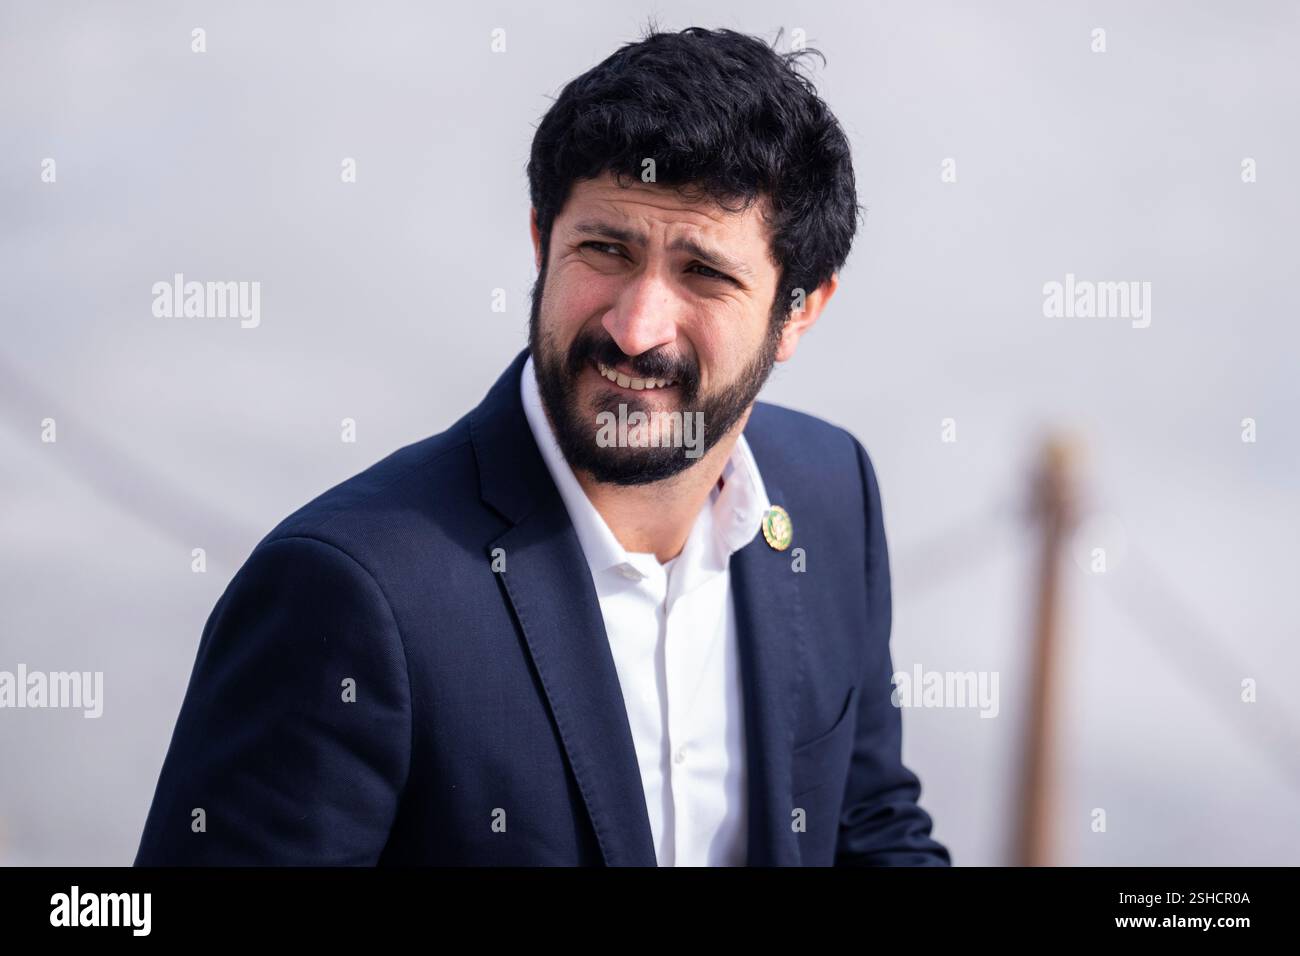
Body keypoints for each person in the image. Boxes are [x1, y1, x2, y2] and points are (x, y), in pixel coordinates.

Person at [135, 26, 949, 867]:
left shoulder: (830, 493)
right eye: (606, 250)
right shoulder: (347, 594)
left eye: (704, 274)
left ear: (799, 312)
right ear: (540, 241)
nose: (636, 330)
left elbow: (868, 826)